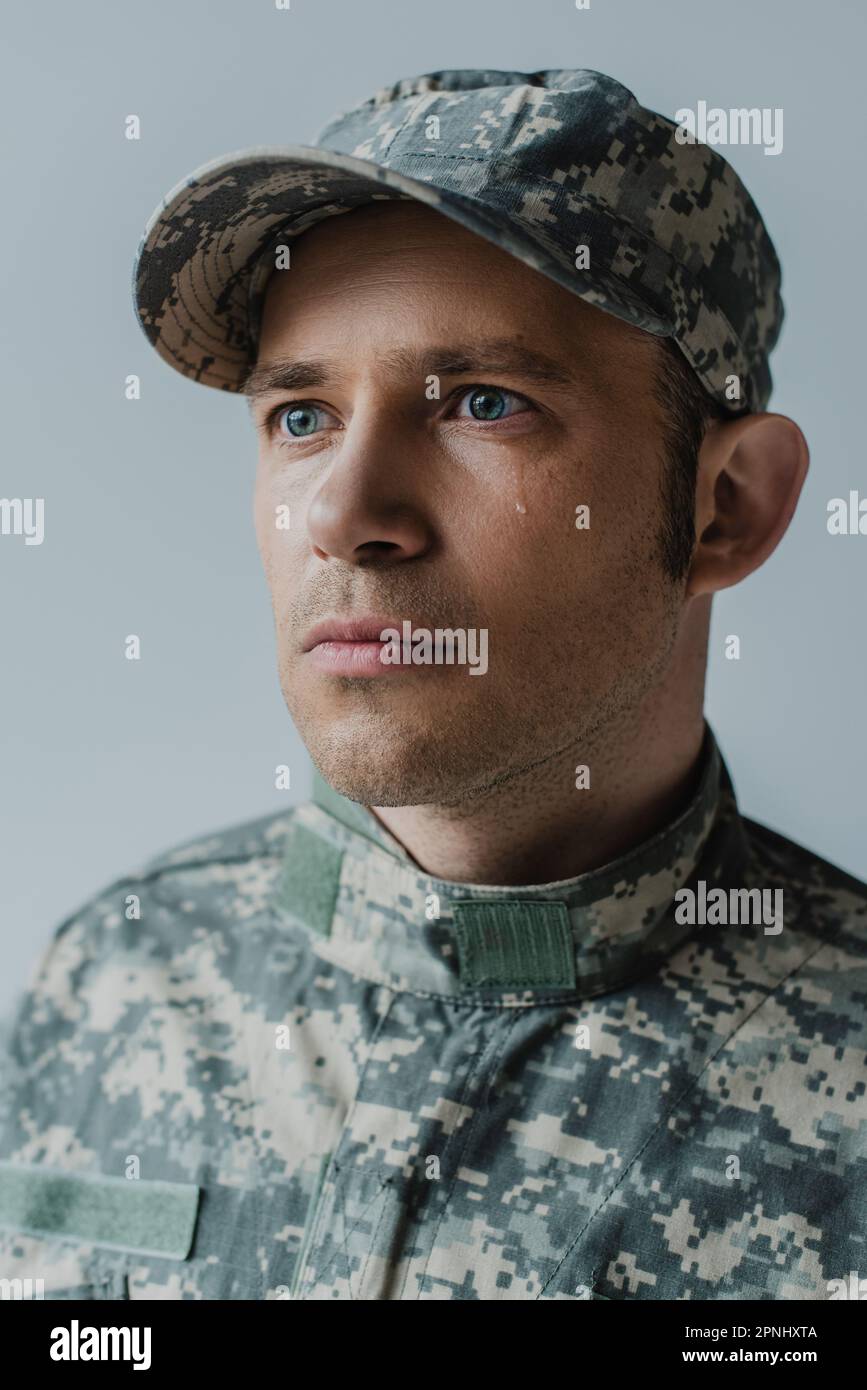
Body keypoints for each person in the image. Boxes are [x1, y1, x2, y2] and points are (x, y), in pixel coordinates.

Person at [0, 68, 864, 1302]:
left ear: (724, 509)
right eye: (300, 417)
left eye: (484, 404)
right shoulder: (109, 984)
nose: (346, 515)